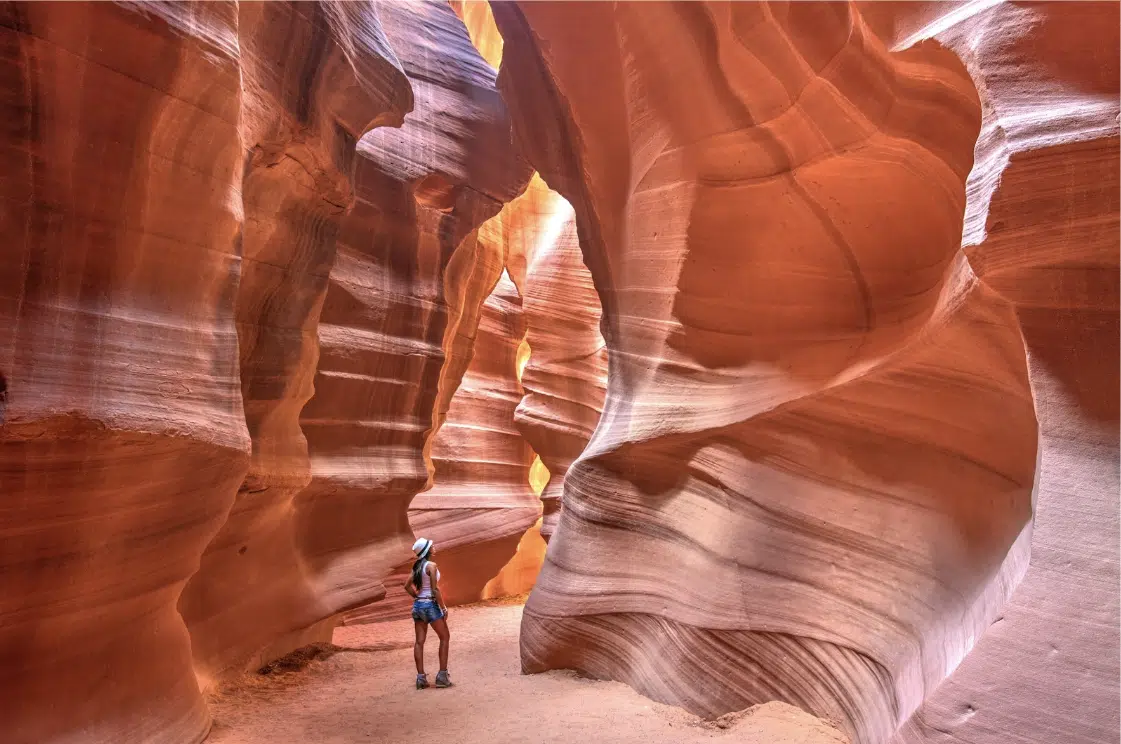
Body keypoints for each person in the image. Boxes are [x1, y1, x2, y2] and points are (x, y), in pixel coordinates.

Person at [404, 537, 452, 689]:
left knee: (419, 641)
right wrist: (443, 608)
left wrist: (417, 597)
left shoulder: (417, 566)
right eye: (431, 545)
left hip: (418, 606)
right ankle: (442, 676)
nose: (433, 546)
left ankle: (421, 678)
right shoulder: (431, 566)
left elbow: (407, 585)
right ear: (427, 550)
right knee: (445, 637)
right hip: (430, 605)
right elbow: (435, 589)